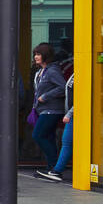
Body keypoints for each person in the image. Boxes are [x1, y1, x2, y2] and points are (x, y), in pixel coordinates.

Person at [29, 42, 67, 176]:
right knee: (48, 137)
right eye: (35, 54)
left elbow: (63, 87)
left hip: (52, 110)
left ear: (46, 55)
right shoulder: (40, 71)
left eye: (38, 54)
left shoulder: (52, 71)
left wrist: (46, 96)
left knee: (38, 135)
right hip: (42, 109)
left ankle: (54, 165)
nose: (36, 57)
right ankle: (51, 168)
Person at [37, 73, 75, 182]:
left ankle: (57, 170)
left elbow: (82, 97)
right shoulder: (75, 74)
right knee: (68, 142)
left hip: (74, 114)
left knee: (67, 142)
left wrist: (69, 114)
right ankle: (56, 170)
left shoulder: (83, 73)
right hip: (72, 114)